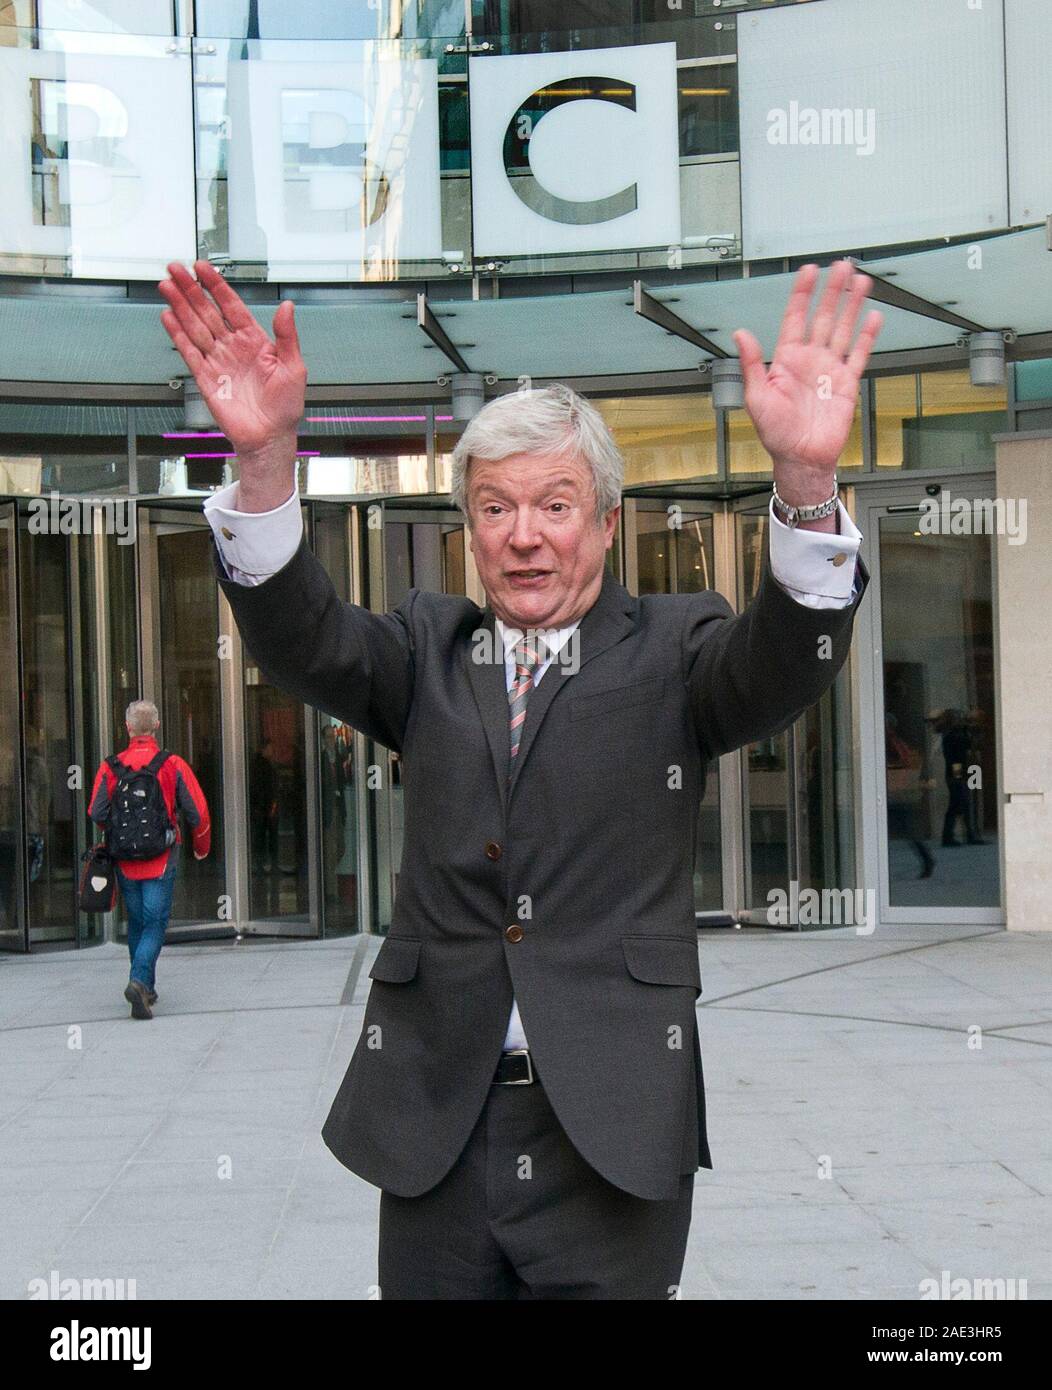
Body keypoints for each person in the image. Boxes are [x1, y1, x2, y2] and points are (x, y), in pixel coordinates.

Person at [159, 255, 881, 1299]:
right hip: (434, 1126)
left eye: (553, 503)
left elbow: (781, 663)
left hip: (609, 1132)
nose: (524, 535)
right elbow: (303, 638)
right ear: (468, 533)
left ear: (605, 522)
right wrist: (267, 457)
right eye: (494, 509)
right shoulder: (426, 650)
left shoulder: (676, 651)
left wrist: (806, 490)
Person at [88, 699, 211, 1020]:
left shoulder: (110, 766)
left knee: (138, 923)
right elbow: (198, 812)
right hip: (162, 856)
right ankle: (140, 980)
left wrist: (118, 831)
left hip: (125, 859)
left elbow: (96, 812)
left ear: (128, 727)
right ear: (156, 725)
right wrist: (201, 847)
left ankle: (145, 989)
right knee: (155, 922)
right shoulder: (172, 764)